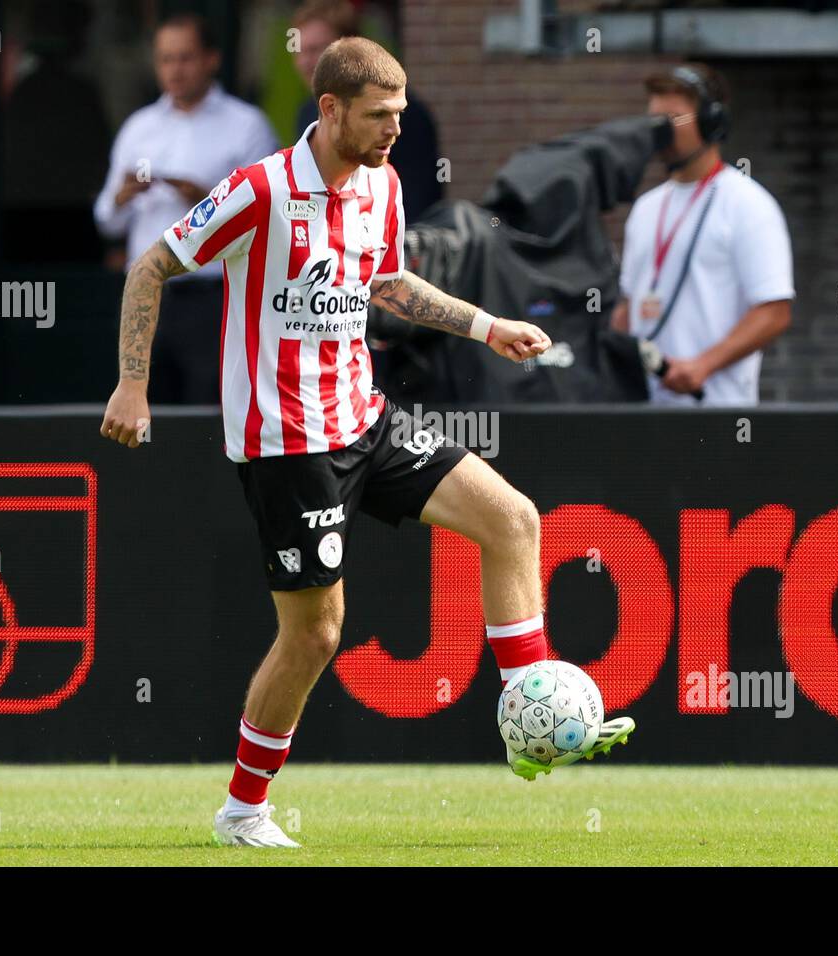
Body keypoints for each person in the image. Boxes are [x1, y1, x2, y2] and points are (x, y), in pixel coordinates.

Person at [100, 37, 636, 848]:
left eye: (401, 112)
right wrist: (132, 384)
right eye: (380, 115)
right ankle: (243, 811)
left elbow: (385, 282)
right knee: (315, 634)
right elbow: (150, 268)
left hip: (365, 417)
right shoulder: (259, 191)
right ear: (331, 110)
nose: (395, 128)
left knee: (514, 520)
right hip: (288, 443)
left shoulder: (381, 185)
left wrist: (487, 326)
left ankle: (531, 715)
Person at [94, 13, 278, 403]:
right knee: (138, 409)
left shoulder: (246, 125)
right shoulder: (138, 127)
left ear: (211, 59)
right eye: (166, 59)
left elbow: (270, 217)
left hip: (213, 296)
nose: (175, 70)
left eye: (185, 58)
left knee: (208, 414)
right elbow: (107, 222)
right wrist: (122, 196)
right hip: (147, 293)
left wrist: (208, 199)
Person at [612, 64, 794, 406]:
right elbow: (628, 307)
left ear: (712, 122)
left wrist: (703, 365)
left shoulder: (747, 204)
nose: (660, 131)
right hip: (642, 412)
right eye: (655, 119)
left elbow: (774, 311)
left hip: (716, 411)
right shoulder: (645, 209)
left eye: (673, 119)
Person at [290, 0, 442, 224]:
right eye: (299, 51)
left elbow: (418, 202)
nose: (304, 62)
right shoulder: (307, 113)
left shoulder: (403, 114)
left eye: (315, 50)